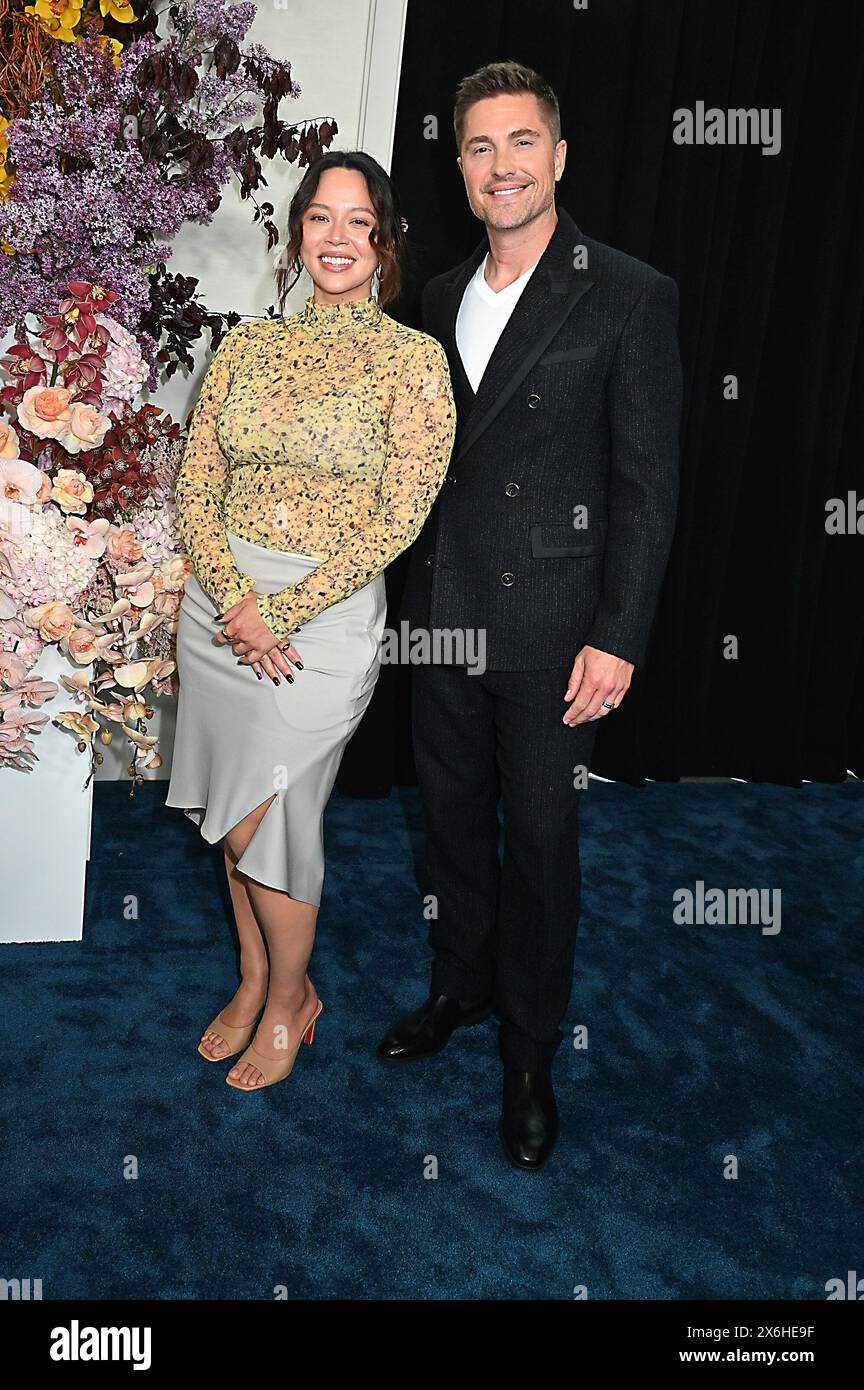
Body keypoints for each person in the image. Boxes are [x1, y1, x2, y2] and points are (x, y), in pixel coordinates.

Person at [378, 62, 682, 1170]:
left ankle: (530, 1049)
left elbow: (648, 485)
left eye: (520, 144)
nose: (500, 165)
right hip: (445, 609)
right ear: (458, 169)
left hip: (560, 627)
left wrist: (621, 634)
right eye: (477, 148)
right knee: (450, 821)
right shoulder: (439, 295)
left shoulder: (629, 293)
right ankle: (459, 984)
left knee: (544, 843)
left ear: (556, 157)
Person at [165, 152, 457, 1092]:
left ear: (384, 242)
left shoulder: (413, 362)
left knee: (268, 817)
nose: (338, 238)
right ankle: (255, 981)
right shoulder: (245, 347)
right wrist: (235, 599)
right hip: (221, 606)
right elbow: (197, 482)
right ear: (297, 235)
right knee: (233, 810)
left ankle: (294, 998)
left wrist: (279, 610)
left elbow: (400, 514)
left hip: (321, 620)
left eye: (359, 221)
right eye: (320, 218)